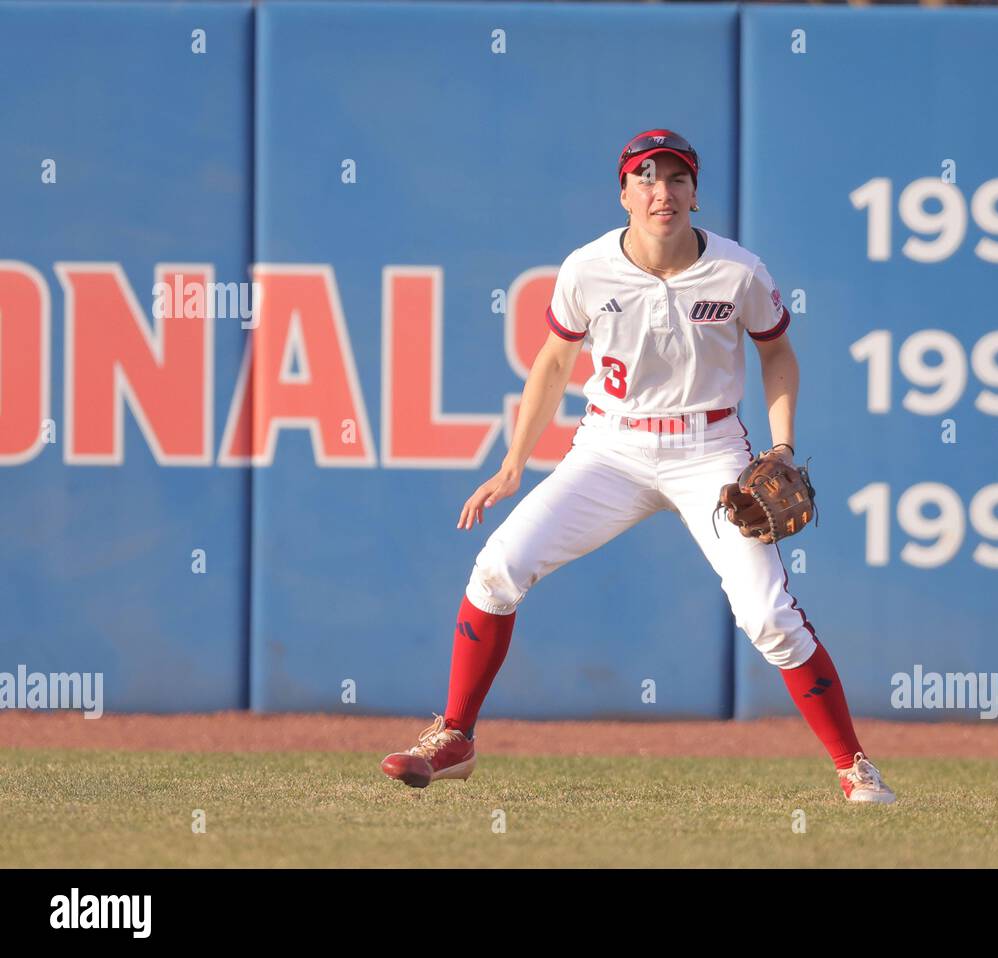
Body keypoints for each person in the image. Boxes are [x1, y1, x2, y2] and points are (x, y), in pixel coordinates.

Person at [381, 129, 895, 803]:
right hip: (611, 448)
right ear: (623, 193)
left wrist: (781, 448)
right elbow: (554, 363)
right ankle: (454, 738)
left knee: (769, 617)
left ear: (695, 194)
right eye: (646, 178)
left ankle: (854, 767)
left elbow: (778, 354)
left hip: (711, 451)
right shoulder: (587, 268)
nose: (663, 191)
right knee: (498, 566)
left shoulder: (738, 270)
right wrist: (512, 465)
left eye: (677, 178)